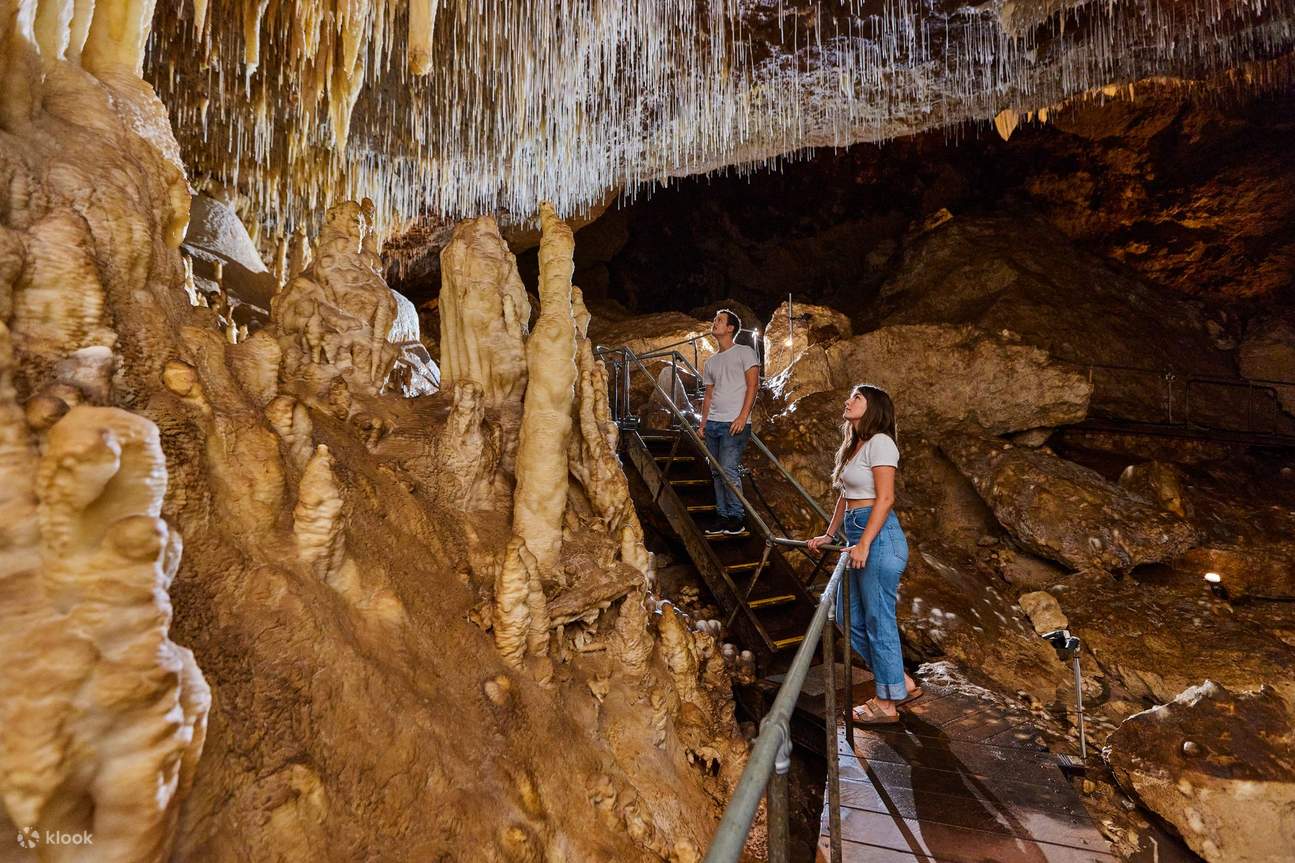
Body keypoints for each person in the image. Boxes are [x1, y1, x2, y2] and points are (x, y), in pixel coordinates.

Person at [807, 384, 921, 724]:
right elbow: (846, 496)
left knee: (877, 618)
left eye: (857, 397)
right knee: (846, 616)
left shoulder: (881, 443)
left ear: (874, 408)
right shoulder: (855, 446)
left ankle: (887, 704)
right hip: (858, 534)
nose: (848, 400)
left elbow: (885, 499)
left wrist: (865, 543)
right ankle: (898, 680)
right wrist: (829, 533)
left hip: (879, 538)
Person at [697, 309, 760, 536]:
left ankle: (737, 517)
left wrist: (743, 416)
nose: (715, 323)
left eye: (719, 320)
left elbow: (753, 385)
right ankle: (722, 516)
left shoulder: (745, 352)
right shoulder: (711, 362)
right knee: (716, 472)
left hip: (734, 423)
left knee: (727, 469)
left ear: (730, 328)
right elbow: (708, 395)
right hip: (713, 423)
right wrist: (703, 423)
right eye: (715, 319)